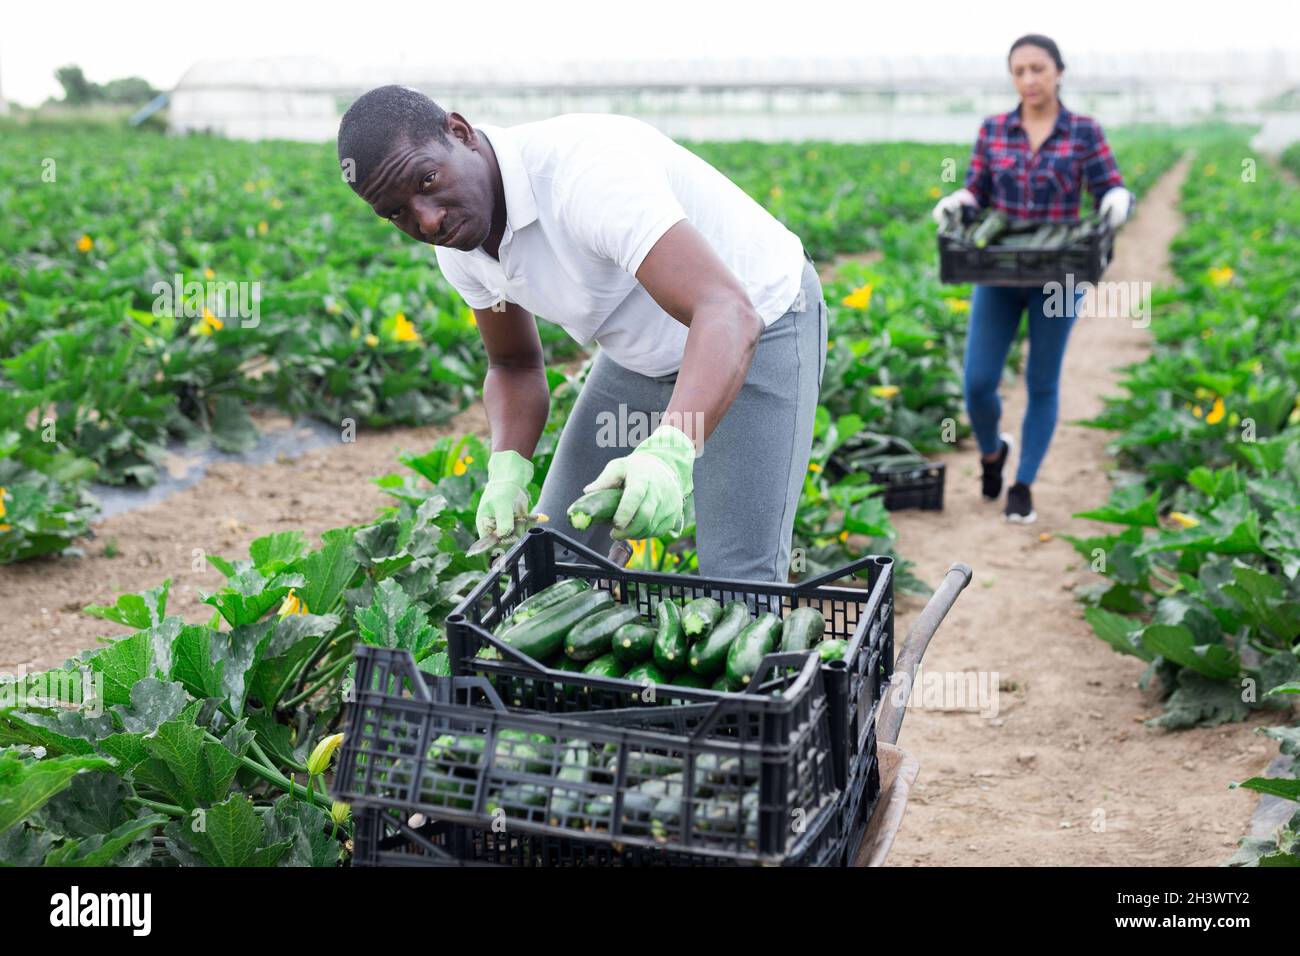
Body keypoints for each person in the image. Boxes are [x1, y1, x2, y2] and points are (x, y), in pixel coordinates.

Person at [337, 86, 827, 581]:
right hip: (636, 351)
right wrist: (507, 466)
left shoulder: (585, 175)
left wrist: (671, 448)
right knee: (553, 559)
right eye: (396, 213)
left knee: (737, 581)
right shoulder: (457, 243)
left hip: (756, 321)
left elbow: (725, 311)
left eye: (427, 180)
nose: (427, 220)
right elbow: (513, 364)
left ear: (459, 133)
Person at [931, 34, 1133, 524]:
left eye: (1037, 69)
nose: (1028, 80)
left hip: (1060, 274)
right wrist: (959, 201)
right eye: (1018, 71)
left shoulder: (1084, 131)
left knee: (1042, 380)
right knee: (978, 382)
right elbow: (977, 188)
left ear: (1058, 72)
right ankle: (992, 451)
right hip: (999, 271)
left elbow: (1111, 185)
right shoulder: (995, 129)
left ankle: (1023, 484)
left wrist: (1117, 202)